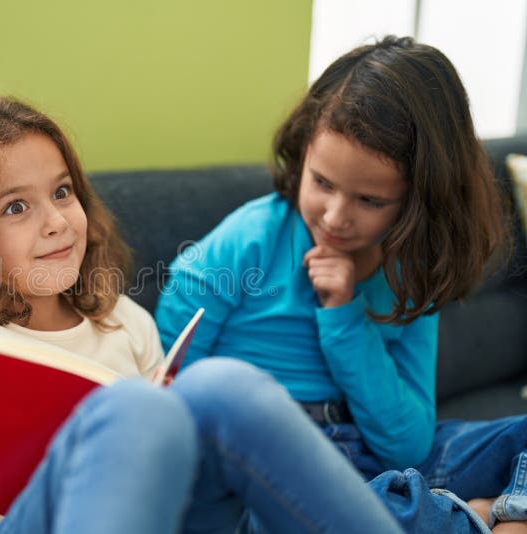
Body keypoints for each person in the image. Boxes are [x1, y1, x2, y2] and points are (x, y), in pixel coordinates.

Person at [0, 95, 406, 533]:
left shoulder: (120, 319)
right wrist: (35, 439)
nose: (57, 221)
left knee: (221, 384)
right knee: (133, 407)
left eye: (62, 192)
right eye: (16, 206)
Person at [154, 35, 526, 533]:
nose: (333, 216)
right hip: (272, 470)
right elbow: (168, 376)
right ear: (303, 150)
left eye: (369, 200)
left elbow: (408, 444)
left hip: (371, 457)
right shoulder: (252, 238)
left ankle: (484, 513)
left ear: (420, 198)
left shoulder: (410, 274)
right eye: (322, 182)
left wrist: (345, 316)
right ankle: (464, 517)